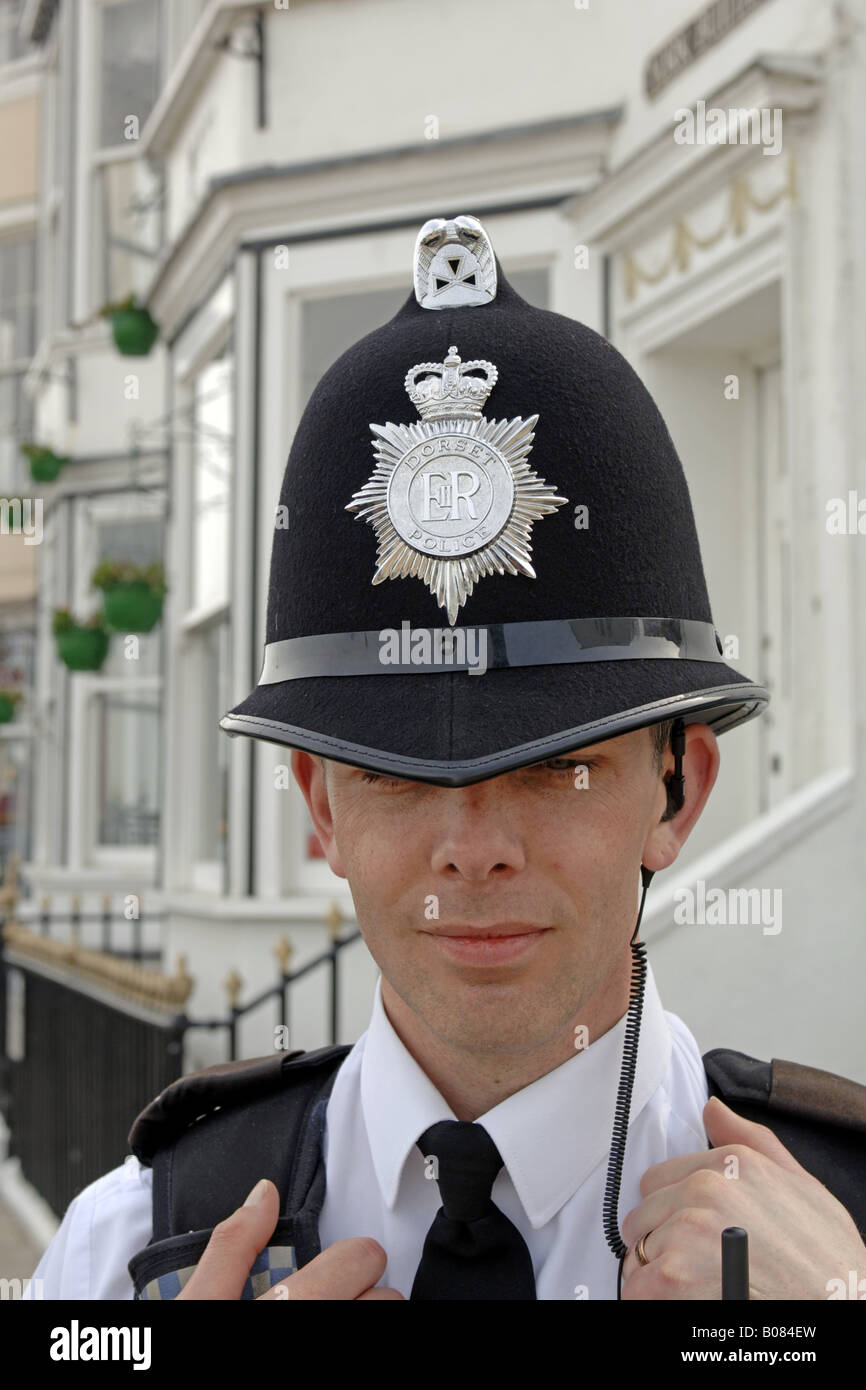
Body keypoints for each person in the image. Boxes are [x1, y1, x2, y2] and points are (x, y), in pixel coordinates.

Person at [26, 215, 866, 1302]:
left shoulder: (834, 1234)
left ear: (677, 790)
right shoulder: (129, 1246)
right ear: (318, 808)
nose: (472, 850)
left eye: (553, 765)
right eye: (395, 771)